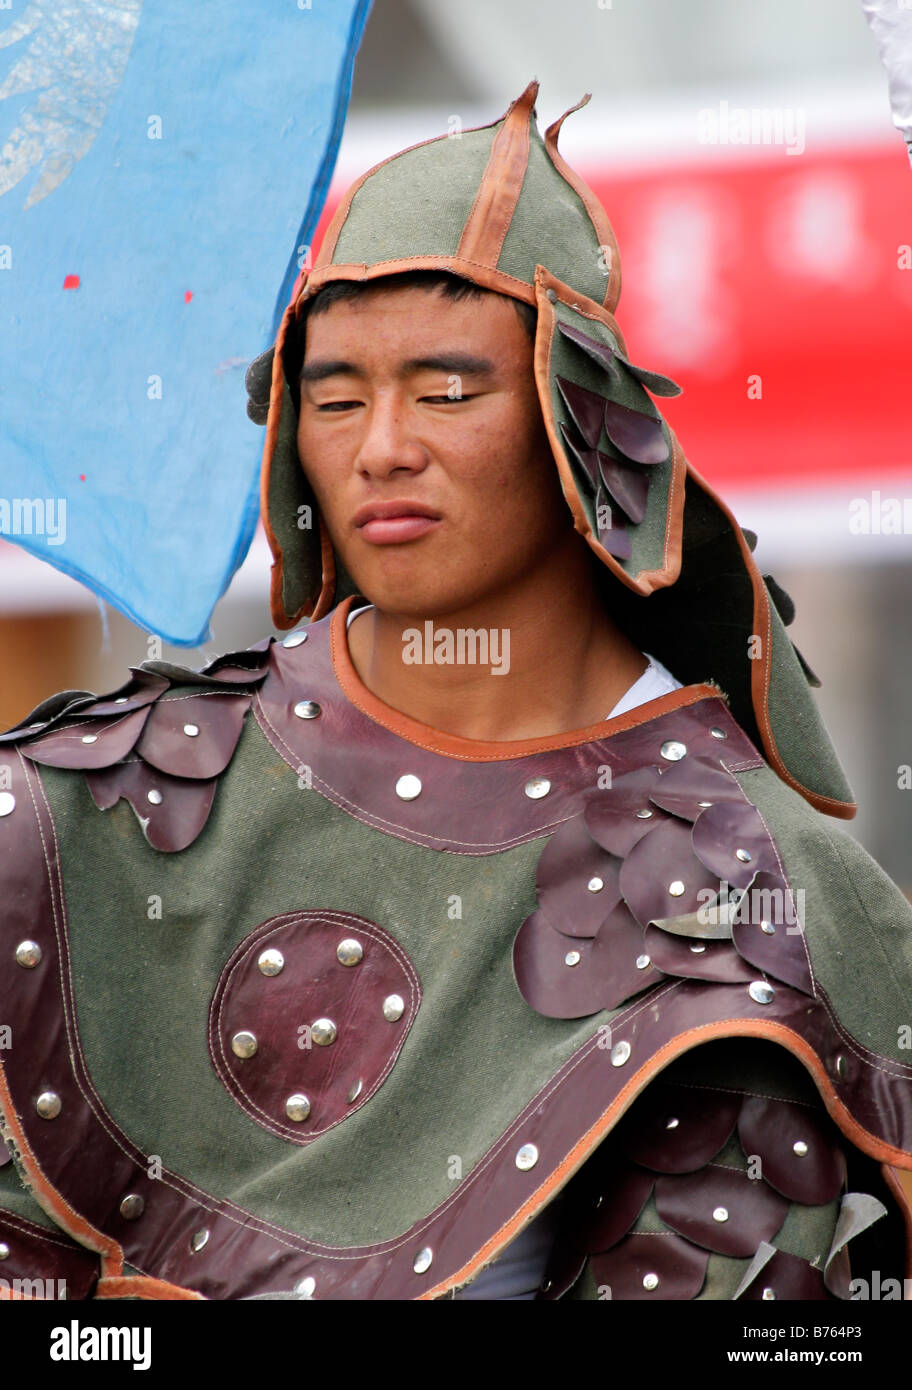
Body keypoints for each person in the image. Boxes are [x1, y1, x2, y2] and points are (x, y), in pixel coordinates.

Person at [0, 78, 910, 1303]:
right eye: (334, 400)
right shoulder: (77, 805)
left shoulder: (754, 891)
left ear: (578, 423)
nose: (381, 446)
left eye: (446, 392)